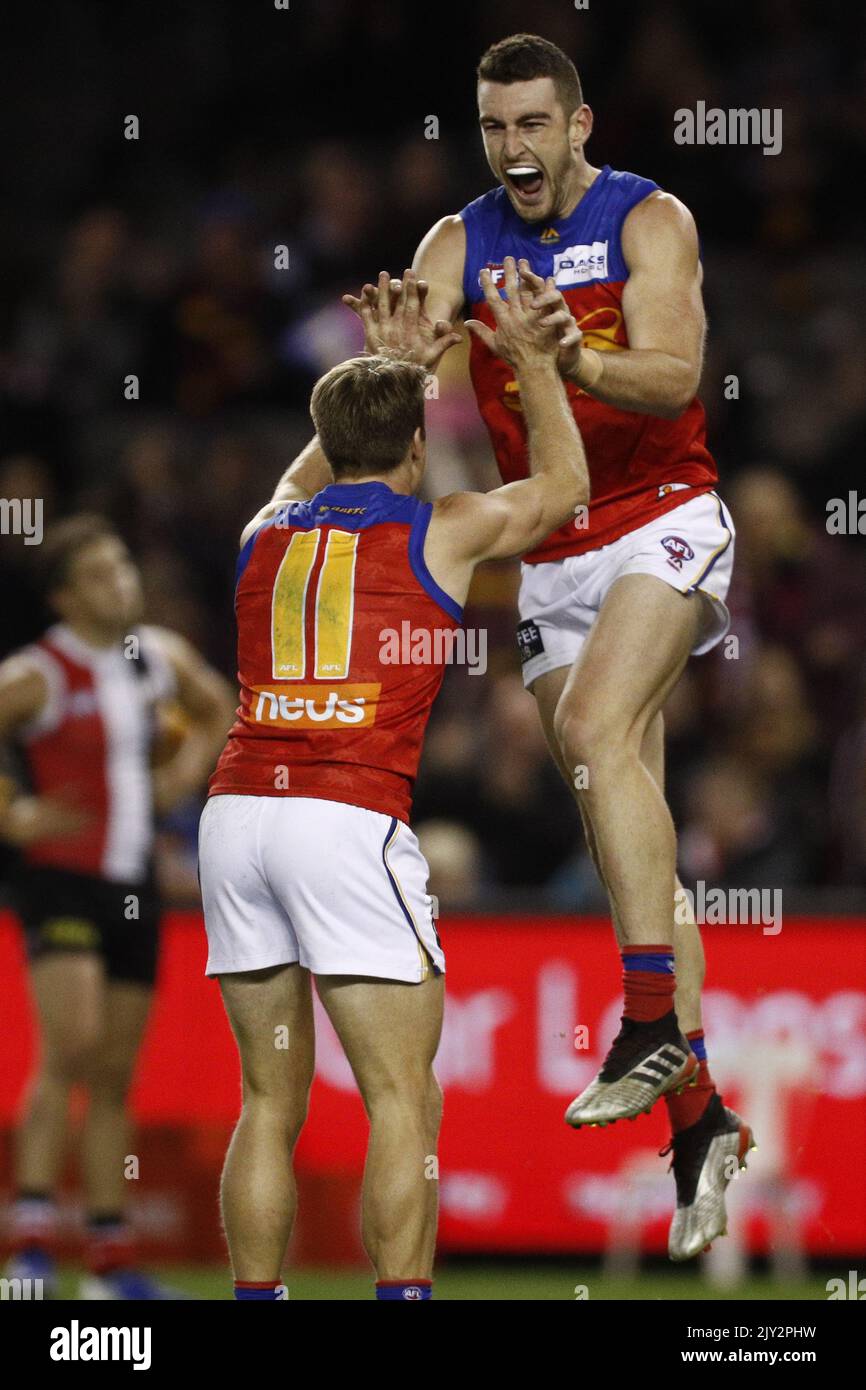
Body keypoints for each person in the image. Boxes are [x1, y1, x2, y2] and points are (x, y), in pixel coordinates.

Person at [306, 32, 754, 1261]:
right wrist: (394, 365)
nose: (511, 148)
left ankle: (648, 1016)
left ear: (577, 125)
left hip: (663, 514)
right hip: (554, 549)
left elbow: (672, 377)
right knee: (629, 831)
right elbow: (404, 399)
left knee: (589, 729)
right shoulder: (456, 241)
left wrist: (570, 354)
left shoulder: (647, 220)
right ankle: (700, 1117)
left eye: (530, 125)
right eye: (492, 126)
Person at [197, 262, 588, 1301]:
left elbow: (310, 469)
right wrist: (534, 365)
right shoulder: (441, 526)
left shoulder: (263, 530)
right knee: (401, 1100)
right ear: (418, 449)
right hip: (344, 814)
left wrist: (382, 379)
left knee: (265, 1102)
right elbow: (563, 491)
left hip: (236, 811)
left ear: (327, 441)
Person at [0, 515, 234, 1299]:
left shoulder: (155, 657)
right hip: (59, 880)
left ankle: (107, 1261)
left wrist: (185, 774)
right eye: (101, 574)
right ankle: (29, 1244)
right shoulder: (38, 673)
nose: (122, 584)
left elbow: (219, 706)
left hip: (132, 884)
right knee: (70, 1046)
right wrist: (11, 813)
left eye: (124, 567)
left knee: (112, 1073)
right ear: (66, 597)